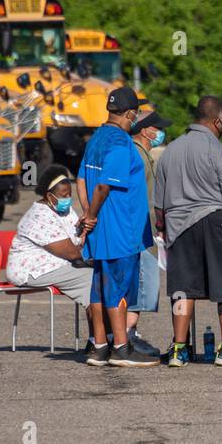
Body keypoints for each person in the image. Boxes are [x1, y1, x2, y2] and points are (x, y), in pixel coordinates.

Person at [153, 96, 222, 367]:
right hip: (217, 222)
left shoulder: (170, 151)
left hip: (179, 226)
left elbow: (159, 205)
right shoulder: (218, 150)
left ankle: (179, 349)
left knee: (182, 289)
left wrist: (164, 230)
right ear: (216, 121)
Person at [76, 85, 158, 368]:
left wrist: (87, 214)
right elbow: (103, 185)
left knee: (99, 288)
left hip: (101, 232)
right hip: (121, 229)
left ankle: (99, 346)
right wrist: (92, 214)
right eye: (136, 112)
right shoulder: (121, 144)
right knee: (120, 290)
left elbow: (80, 180)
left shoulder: (97, 138)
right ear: (129, 114)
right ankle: (121, 347)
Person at [5, 167, 95, 334]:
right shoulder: (39, 216)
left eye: (69, 194)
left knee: (100, 277)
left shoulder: (64, 211)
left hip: (55, 265)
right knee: (93, 280)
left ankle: (100, 339)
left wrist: (84, 229)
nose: (68, 199)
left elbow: (76, 240)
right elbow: (72, 252)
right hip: (32, 270)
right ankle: (100, 341)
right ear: (48, 196)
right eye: (63, 195)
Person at [125, 109, 172, 357]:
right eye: (156, 127)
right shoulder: (138, 157)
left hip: (142, 229)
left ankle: (128, 333)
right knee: (142, 283)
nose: (160, 132)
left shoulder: (142, 153)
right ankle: (128, 335)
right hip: (139, 232)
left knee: (141, 283)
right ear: (144, 130)